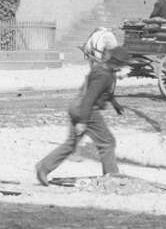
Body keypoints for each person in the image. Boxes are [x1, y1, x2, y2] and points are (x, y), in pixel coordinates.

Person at [35, 46, 130, 186]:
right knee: (107, 142)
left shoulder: (101, 69)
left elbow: (103, 92)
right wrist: (83, 121)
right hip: (87, 110)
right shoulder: (104, 75)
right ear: (119, 63)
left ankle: (43, 168)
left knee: (71, 144)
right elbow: (90, 97)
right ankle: (112, 177)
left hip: (76, 106)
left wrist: (115, 104)